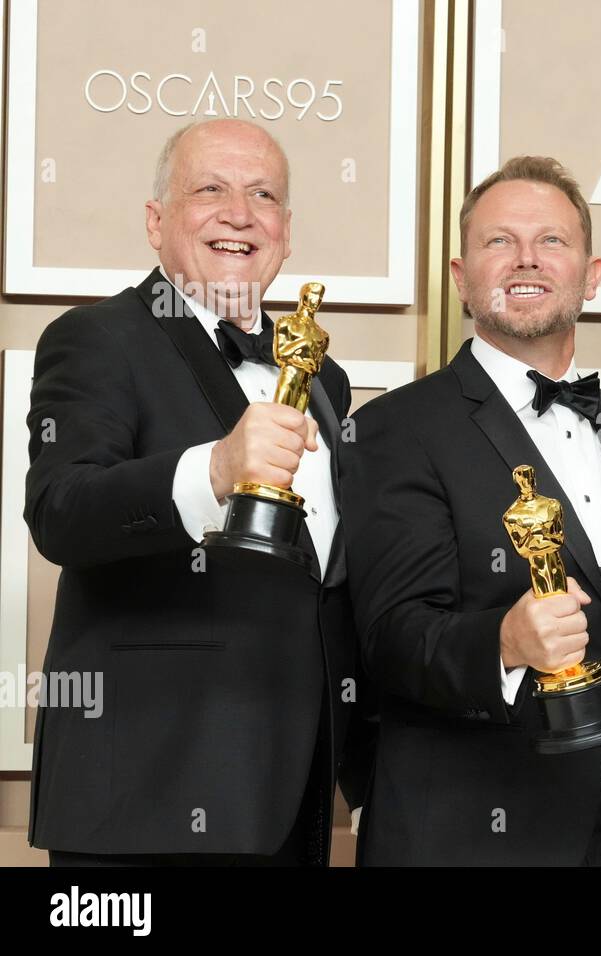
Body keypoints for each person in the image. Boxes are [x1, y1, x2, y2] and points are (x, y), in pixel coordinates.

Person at [25, 119, 364, 865]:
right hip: (147, 793)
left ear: (285, 230)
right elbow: (61, 512)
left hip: (295, 795)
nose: (239, 213)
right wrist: (213, 470)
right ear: (156, 221)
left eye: (263, 195)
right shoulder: (98, 337)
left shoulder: (322, 377)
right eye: (209, 189)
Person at [342, 156, 601, 866]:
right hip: (469, 836)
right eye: (499, 241)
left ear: (591, 276)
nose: (527, 258)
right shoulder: (394, 428)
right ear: (460, 276)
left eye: (552, 241)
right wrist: (503, 642)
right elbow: (391, 637)